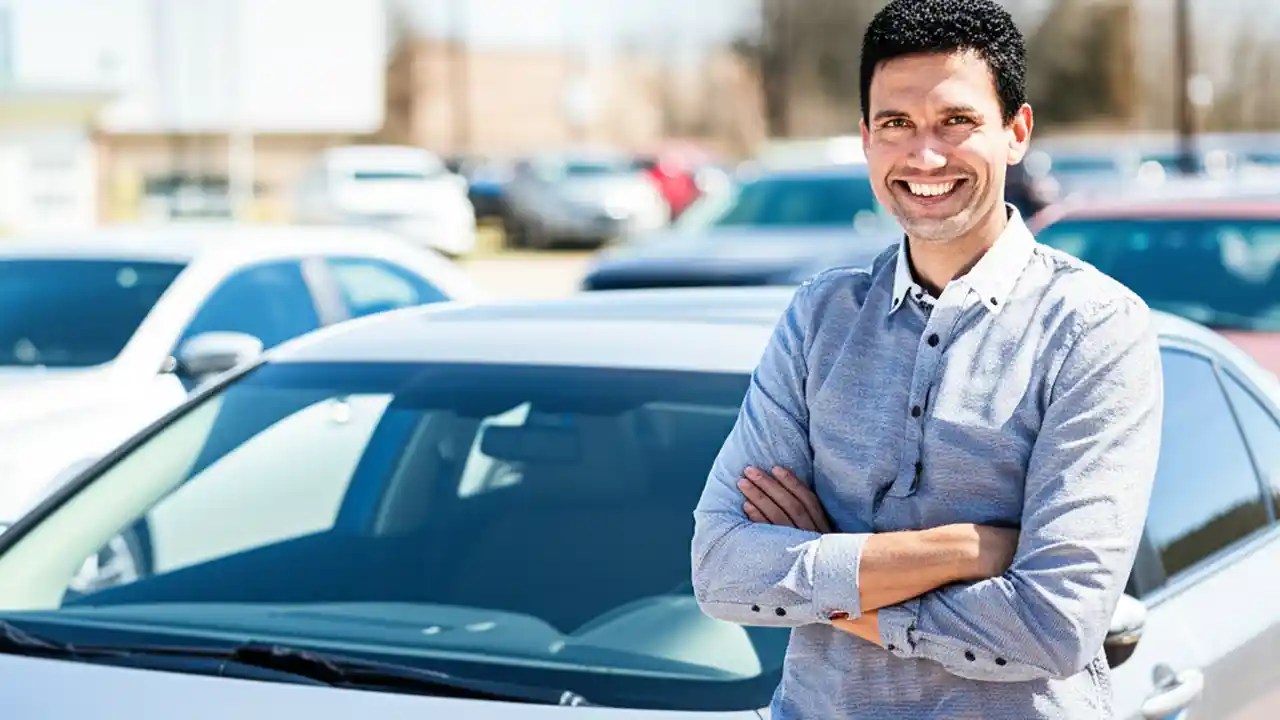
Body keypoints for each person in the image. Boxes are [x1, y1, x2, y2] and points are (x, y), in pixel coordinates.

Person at [689, 1, 1164, 717]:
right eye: (896, 125)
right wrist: (963, 551)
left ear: (1016, 132)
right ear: (866, 139)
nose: (925, 155)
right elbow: (722, 571)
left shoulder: (1094, 329)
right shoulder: (820, 319)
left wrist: (827, 583)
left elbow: (1054, 624)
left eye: (956, 121)